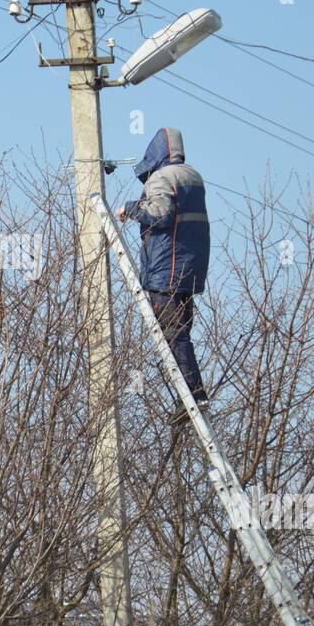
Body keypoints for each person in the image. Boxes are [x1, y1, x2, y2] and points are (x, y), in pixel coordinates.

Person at [117, 127, 210, 422]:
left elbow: (159, 214)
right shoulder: (193, 176)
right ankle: (190, 397)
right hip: (189, 271)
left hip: (166, 270)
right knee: (180, 334)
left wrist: (131, 209)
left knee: (173, 335)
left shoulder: (162, 177)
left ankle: (194, 396)